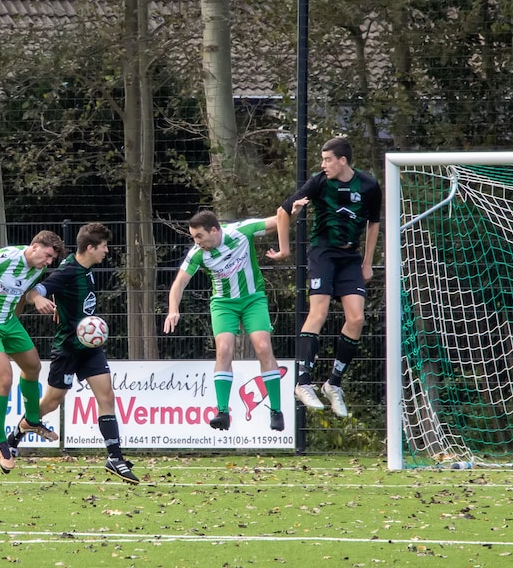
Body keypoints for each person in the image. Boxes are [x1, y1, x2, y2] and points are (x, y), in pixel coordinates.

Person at [5, 223, 140, 484]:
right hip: (67, 348)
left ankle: (115, 457)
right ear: (90, 248)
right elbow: (36, 290)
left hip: (90, 348)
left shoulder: (85, 268)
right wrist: (39, 299)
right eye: (103, 247)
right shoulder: (68, 270)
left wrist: (65, 308)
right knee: (51, 403)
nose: (107, 251)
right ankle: (15, 436)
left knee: (106, 396)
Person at [268, 136, 382, 418]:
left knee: (356, 318)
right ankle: (303, 382)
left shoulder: (368, 185)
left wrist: (367, 262)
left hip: (350, 258)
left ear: (343, 160)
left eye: (328, 159)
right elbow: (284, 211)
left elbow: (374, 223)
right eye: (322, 160)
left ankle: (333, 383)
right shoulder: (319, 182)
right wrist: (284, 249)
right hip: (323, 254)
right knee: (318, 312)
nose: (323, 165)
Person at [163, 207, 304, 432]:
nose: (197, 242)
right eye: (193, 237)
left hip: (252, 300)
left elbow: (278, 220)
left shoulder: (241, 232)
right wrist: (173, 309)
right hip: (223, 304)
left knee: (263, 347)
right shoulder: (198, 253)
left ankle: (276, 411)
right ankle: (222, 412)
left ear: (215, 230)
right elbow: (179, 283)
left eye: (199, 236)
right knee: (224, 351)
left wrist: (293, 212)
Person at [0, 231, 65, 474]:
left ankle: (31, 421)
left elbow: (24, 295)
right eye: (47, 256)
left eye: (52, 259)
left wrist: (34, 305)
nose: (48, 262)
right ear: (35, 246)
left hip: (8, 323)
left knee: (33, 367)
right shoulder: (6, 257)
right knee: (4, 378)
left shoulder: (37, 268)